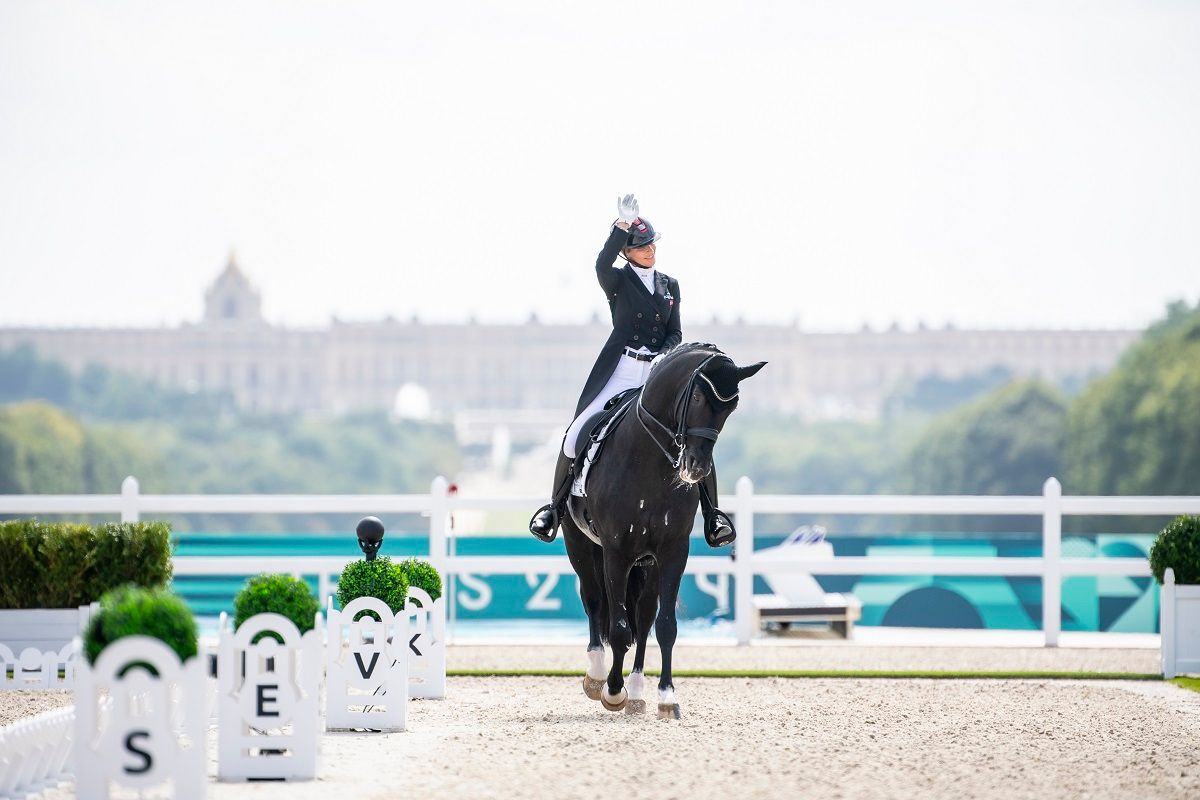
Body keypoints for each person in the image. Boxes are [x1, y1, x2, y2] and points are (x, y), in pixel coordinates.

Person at [528, 194, 736, 547]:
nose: (649, 250)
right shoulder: (618, 281)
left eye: (651, 243)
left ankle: (713, 515)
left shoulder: (670, 285)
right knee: (576, 432)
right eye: (640, 246)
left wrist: (666, 356)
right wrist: (620, 227)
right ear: (627, 251)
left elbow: (675, 331)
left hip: (658, 372)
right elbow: (600, 264)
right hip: (622, 369)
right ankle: (554, 509)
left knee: (693, 436)